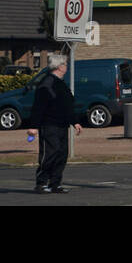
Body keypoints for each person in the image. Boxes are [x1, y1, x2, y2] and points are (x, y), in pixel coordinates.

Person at [27, 53, 82, 194]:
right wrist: (33, 127)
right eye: (64, 64)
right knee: (50, 153)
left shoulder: (61, 84)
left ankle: (55, 184)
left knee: (61, 154)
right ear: (58, 67)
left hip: (62, 125)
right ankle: (41, 183)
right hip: (49, 125)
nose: (66, 67)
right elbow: (38, 106)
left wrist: (75, 122)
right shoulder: (46, 83)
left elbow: (68, 105)